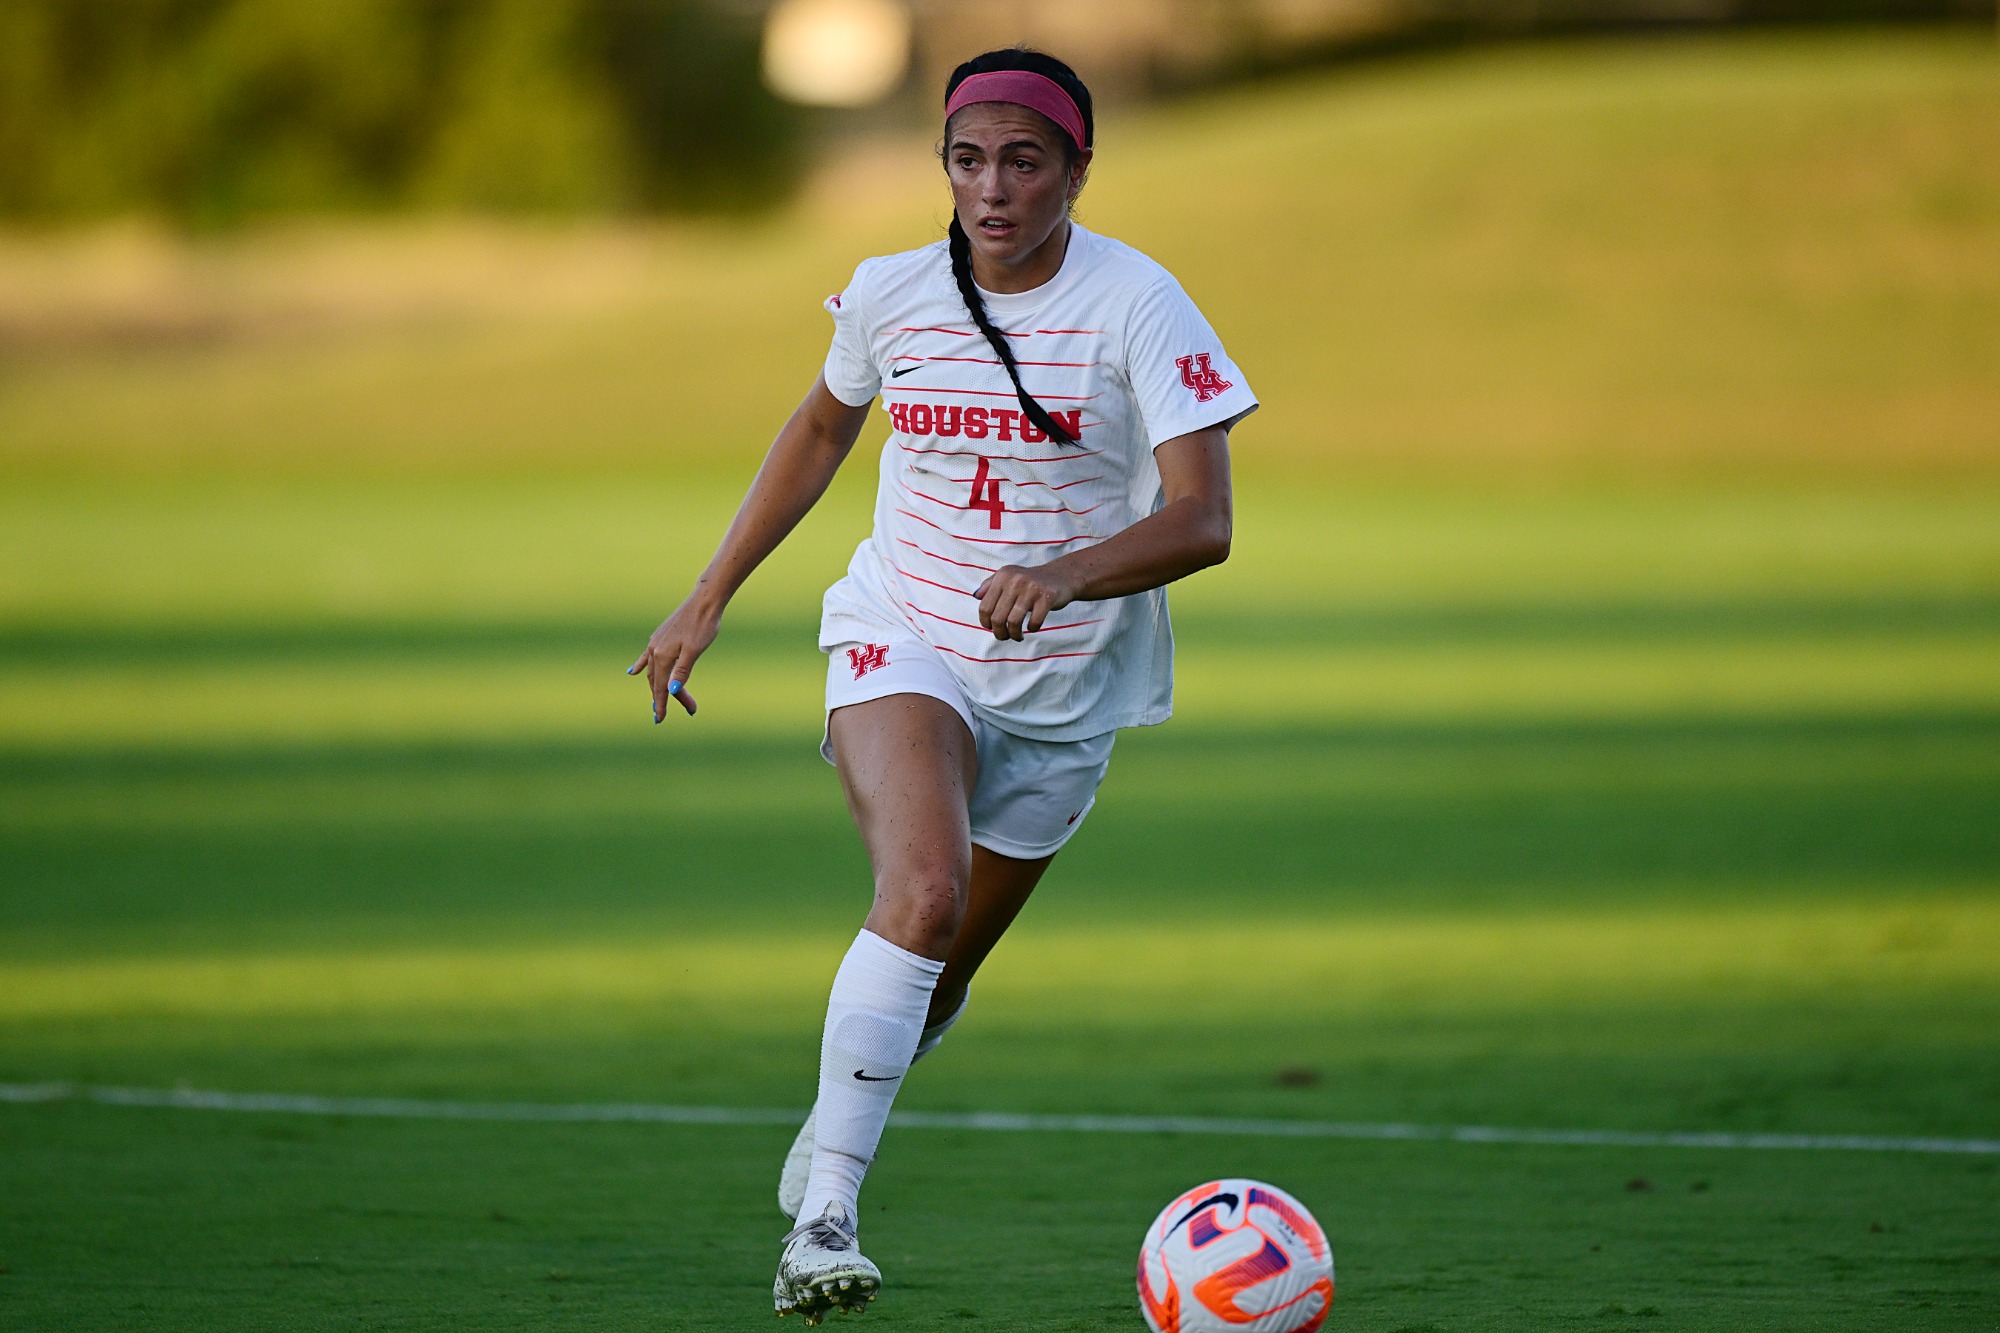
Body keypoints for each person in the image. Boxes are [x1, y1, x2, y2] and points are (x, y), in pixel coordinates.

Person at [629, 47, 1257, 1325]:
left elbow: (1203, 520)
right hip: (902, 630)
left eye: (1023, 161)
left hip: (1066, 688)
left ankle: (835, 1116)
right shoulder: (892, 292)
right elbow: (821, 427)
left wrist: (1065, 574)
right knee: (920, 892)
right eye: (967, 161)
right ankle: (823, 1222)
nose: (992, 189)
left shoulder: (1140, 304)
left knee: (941, 967)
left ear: (1078, 168)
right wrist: (708, 591)